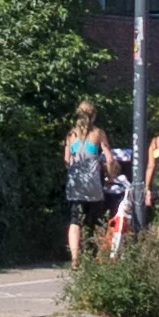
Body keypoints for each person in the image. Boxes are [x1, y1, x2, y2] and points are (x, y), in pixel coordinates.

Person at [62, 100, 112, 263]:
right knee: (98, 220)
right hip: (93, 184)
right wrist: (110, 176)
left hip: (76, 184)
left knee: (75, 220)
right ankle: (100, 257)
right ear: (94, 115)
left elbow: (67, 159)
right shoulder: (98, 133)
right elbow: (109, 158)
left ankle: (75, 257)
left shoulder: (71, 134)